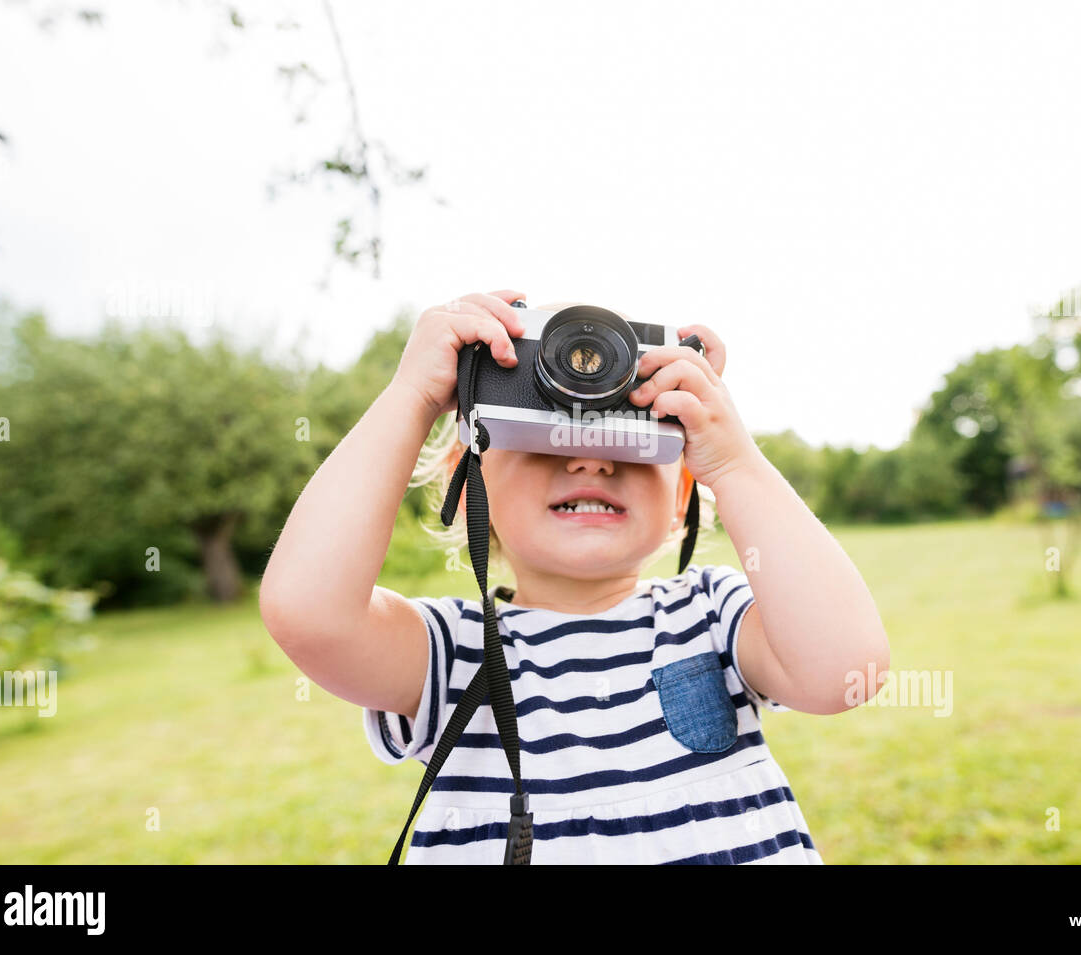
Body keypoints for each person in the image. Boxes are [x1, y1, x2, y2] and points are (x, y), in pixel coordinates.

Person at [259, 289, 890, 864]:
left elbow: (843, 673)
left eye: (631, 446)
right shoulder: (451, 654)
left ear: (682, 496)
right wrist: (412, 398)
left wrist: (736, 463)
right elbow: (310, 613)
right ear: (468, 474)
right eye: (546, 442)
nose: (591, 460)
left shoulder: (710, 613)